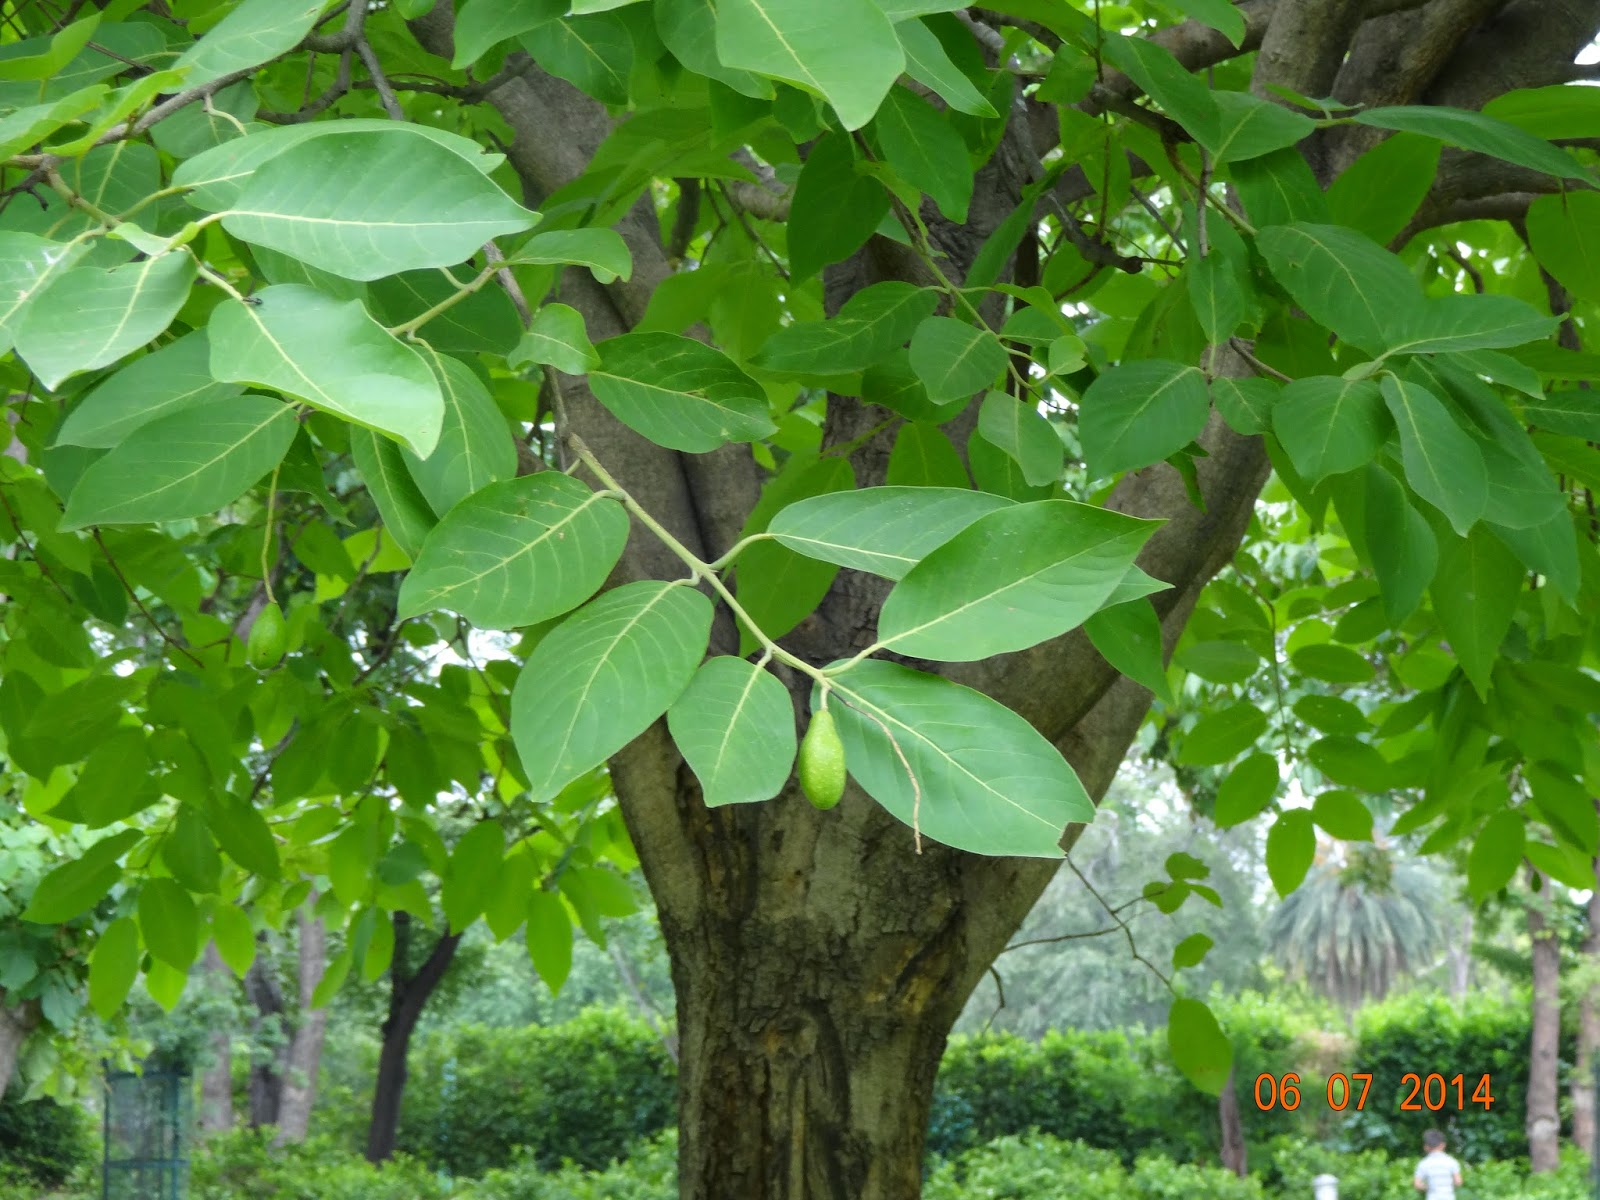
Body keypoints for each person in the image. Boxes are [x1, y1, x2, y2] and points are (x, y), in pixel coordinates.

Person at [1413, 1129, 1463, 1198]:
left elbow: (1417, 1184)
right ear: (1443, 1145)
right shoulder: (1452, 1162)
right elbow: (1458, 1182)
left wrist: (1428, 1187)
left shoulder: (1423, 1164)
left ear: (1426, 1147)